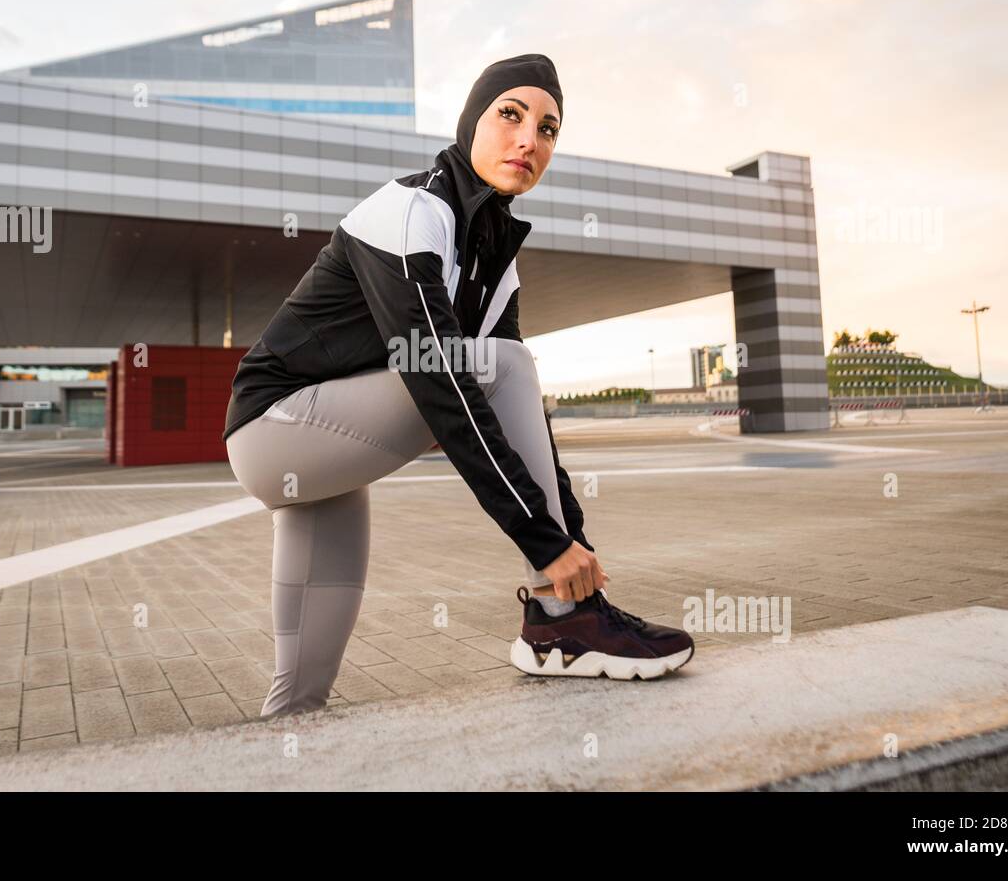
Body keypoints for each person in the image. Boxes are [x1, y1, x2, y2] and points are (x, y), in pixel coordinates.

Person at [223, 54, 693, 718]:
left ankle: (282, 755)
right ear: (473, 119)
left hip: (324, 455)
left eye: (549, 128)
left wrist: (572, 538)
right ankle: (562, 622)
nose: (530, 139)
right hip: (274, 427)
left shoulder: (494, 256)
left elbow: (522, 415)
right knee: (496, 363)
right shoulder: (411, 210)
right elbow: (440, 381)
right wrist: (545, 546)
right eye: (511, 114)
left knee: (299, 697)